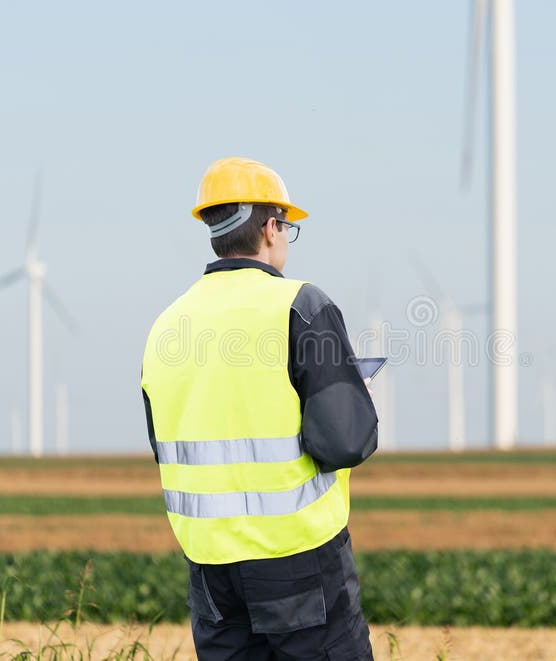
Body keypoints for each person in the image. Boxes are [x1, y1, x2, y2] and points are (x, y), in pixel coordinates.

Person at [141, 156, 378, 660]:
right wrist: (359, 397)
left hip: (210, 569)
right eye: (287, 226)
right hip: (298, 560)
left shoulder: (165, 326)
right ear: (271, 228)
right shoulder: (300, 305)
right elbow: (345, 441)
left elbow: (166, 445)